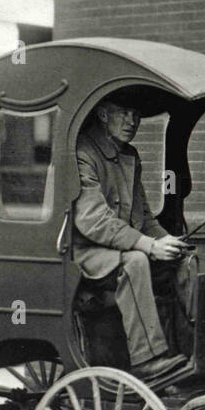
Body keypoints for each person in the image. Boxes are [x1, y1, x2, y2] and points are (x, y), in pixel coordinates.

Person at [72, 97, 192, 380]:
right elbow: (93, 220)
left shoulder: (129, 155)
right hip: (85, 252)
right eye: (124, 113)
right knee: (136, 262)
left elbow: (144, 218)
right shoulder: (83, 153)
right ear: (103, 115)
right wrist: (150, 246)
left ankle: (187, 352)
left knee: (184, 260)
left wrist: (168, 242)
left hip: (117, 247)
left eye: (136, 113)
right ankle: (146, 360)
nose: (131, 121)